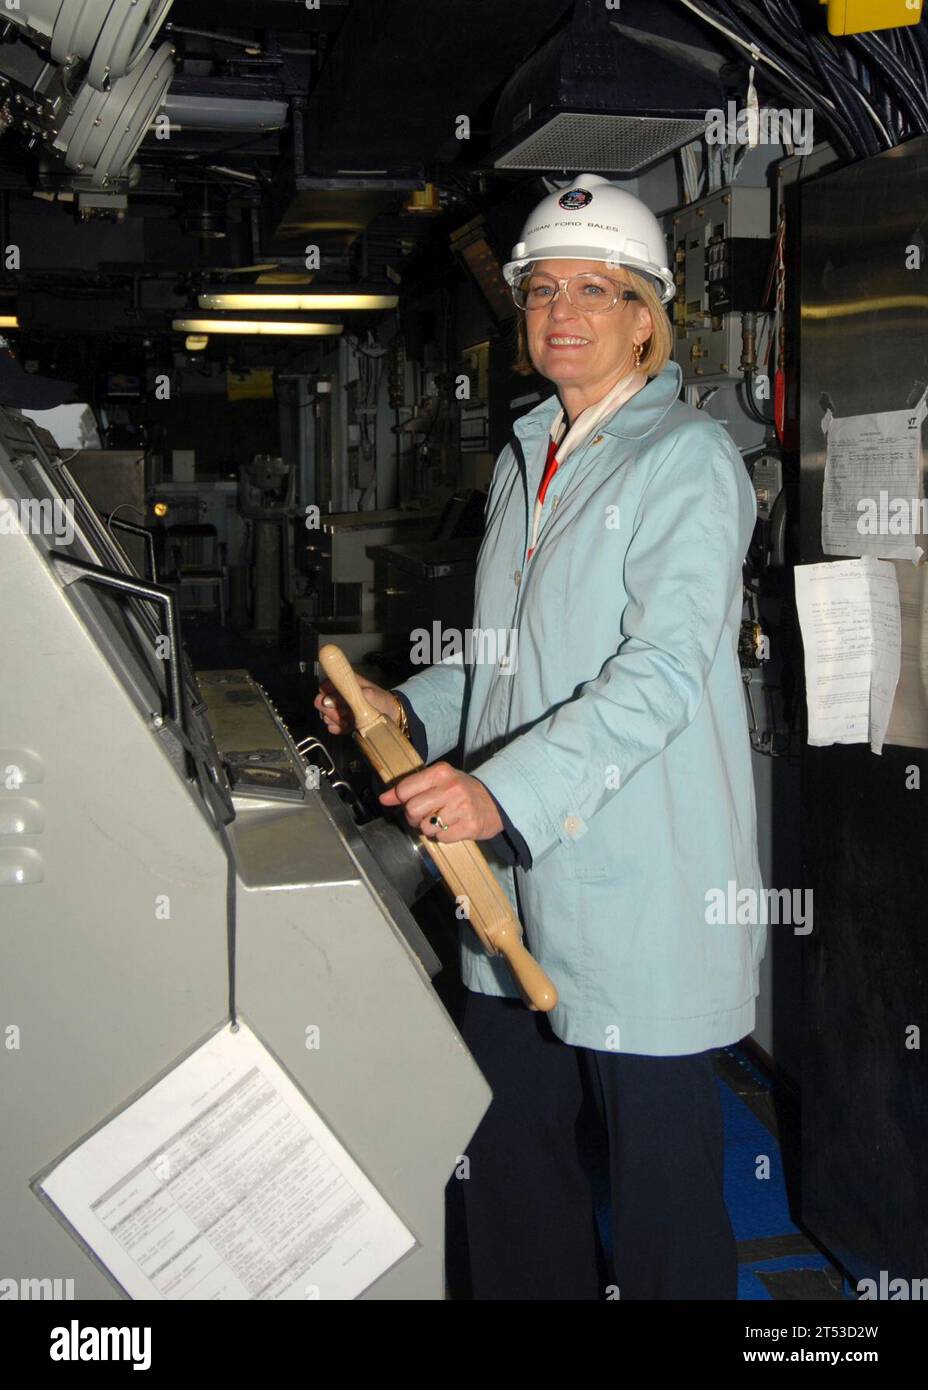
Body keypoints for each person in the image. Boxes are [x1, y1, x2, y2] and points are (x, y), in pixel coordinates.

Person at [315, 174, 766, 1301]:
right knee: (506, 1170)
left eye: (595, 290)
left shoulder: (685, 460)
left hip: (639, 892)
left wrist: (498, 794)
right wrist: (411, 709)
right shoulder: (533, 454)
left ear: (645, 317)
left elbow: (659, 674)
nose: (563, 312)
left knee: (662, 1213)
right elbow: (511, 656)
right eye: (542, 290)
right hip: (509, 890)